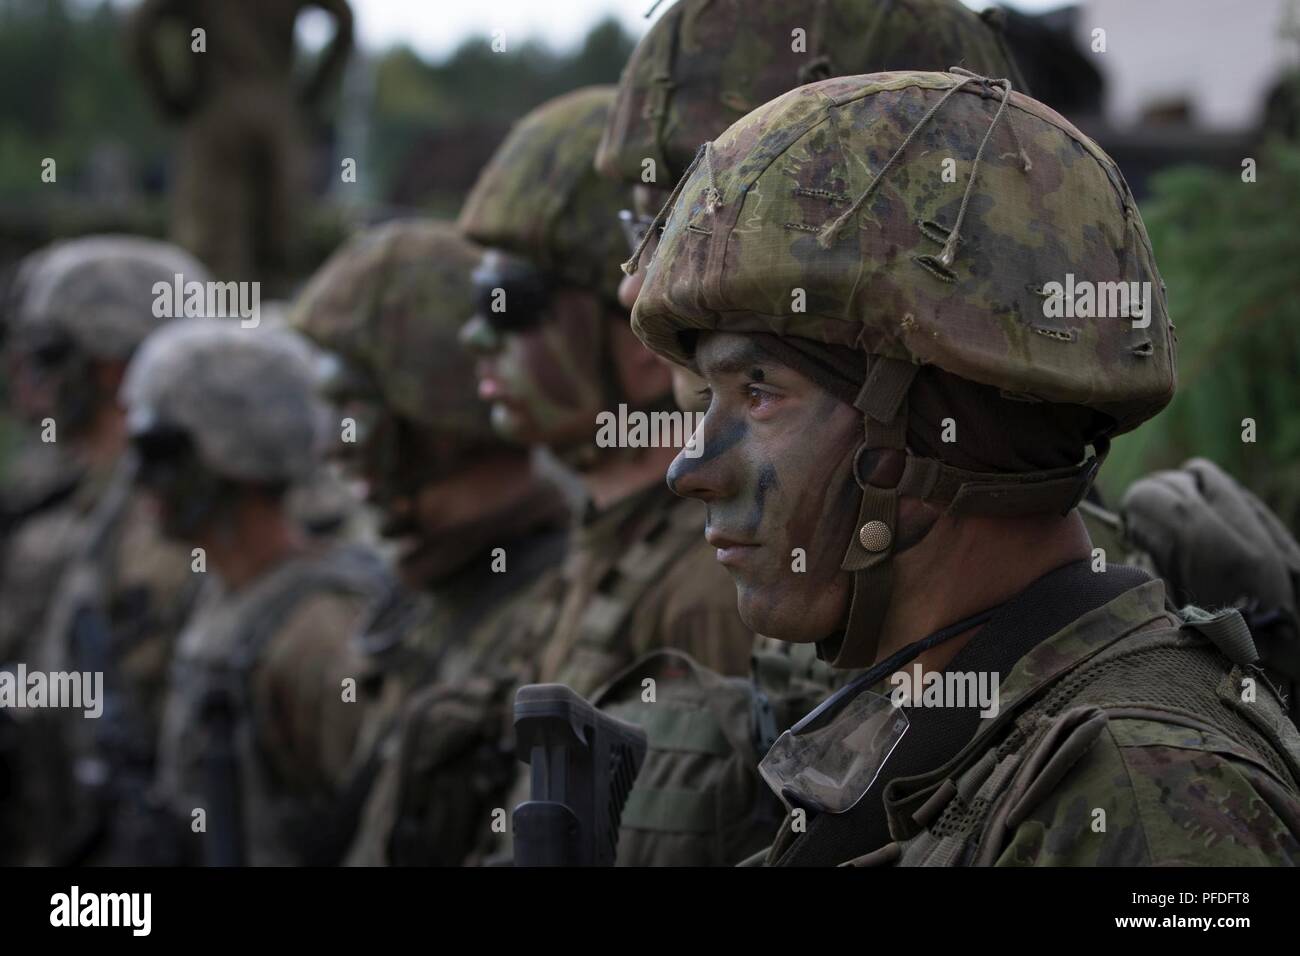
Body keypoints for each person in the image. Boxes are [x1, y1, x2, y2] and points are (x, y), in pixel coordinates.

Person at [628, 69, 1300, 865]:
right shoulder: (940, 726)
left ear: (939, 432)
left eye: (761, 392)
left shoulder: (1141, 790)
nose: (691, 470)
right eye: (711, 395)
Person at [289, 219, 570, 866]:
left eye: (355, 408)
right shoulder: (420, 594)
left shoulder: (548, 604)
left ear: (438, 414)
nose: (333, 444)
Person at [128, 318, 391, 865]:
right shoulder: (217, 596)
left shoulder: (321, 634)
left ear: (233, 456)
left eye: (159, 451)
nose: (138, 478)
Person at [1, 236, 207, 864]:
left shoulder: (170, 531)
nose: (26, 382)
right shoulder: (58, 505)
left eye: (49, 358)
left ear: (116, 368)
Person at [127, 0, 353, 289]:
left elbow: (140, 26)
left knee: (210, 259)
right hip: (277, 118)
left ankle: (212, 330)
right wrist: (309, 97)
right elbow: (344, 22)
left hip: (215, 111)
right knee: (277, 256)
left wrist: (170, 98)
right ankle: (265, 328)